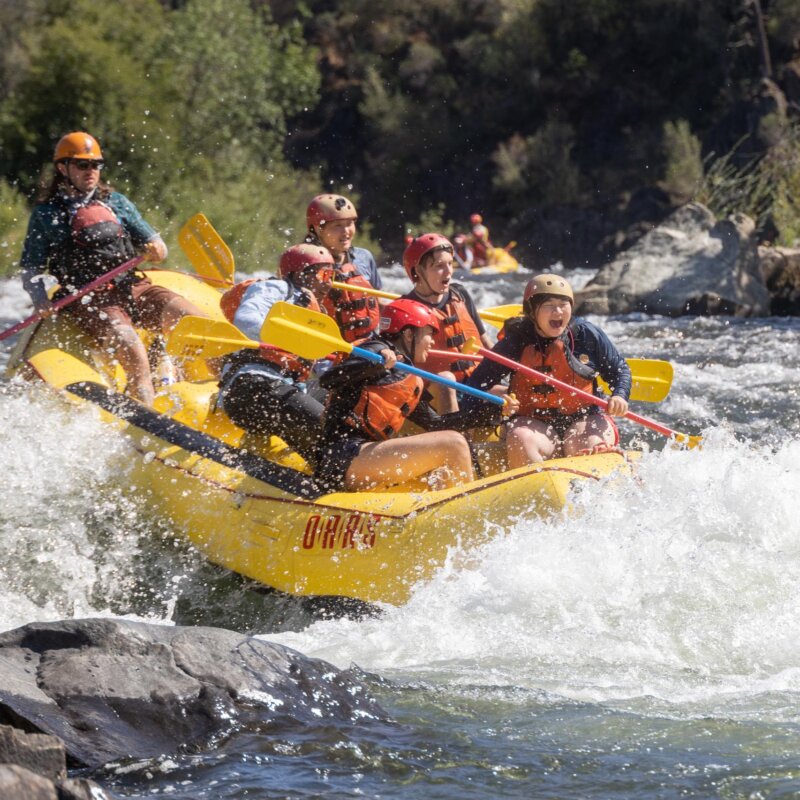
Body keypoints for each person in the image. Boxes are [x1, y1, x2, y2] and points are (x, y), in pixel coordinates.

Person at [19, 131, 204, 406]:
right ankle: (148, 420)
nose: (91, 171)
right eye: (82, 165)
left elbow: (158, 247)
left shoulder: (117, 203)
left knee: (194, 323)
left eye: (96, 165)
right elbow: (31, 268)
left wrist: (156, 250)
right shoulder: (46, 215)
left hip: (133, 286)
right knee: (134, 354)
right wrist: (39, 298)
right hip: (89, 298)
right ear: (62, 168)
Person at [313, 299, 513, 492]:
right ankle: (466, 513)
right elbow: (330, 379)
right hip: (341, 455)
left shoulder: (406, 376)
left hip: (365, 455)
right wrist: (373, 363)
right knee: (453, 444)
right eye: (428, 334)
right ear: (409, 334)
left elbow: (437, 424)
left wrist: (493, 410)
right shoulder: (373, 350)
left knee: (447, 452)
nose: (433, 341)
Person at [464, 273, 631, 467]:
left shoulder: (586, 334)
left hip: (584, 419)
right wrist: (498, 404)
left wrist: (619, 395)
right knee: (520, 437)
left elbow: (620, 370)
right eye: (549, 305)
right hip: (534, 425)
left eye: (563, 304)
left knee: (588, 447)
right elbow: (476, 385)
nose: (558, 311)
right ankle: (537, 488)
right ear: (532, 311)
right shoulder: (516, 340)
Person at [216, 243, 336, 464]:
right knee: (327, 427)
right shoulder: (278, 288)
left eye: (332, 274)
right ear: (300, 274)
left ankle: (323, 464)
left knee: (341, 401)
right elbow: (246, 320)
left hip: (286, 385)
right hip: (251, 387)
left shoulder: (313, 310)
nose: (329, 282)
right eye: (324, 273)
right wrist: (289, 340)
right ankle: (333, 474)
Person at [401, 233, 495, 413]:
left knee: (510, 393)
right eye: (439, 266)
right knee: (446, 379)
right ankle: (452, 436)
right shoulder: (406, 310)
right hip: (432, 391)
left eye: (450, 264)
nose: (449, 272)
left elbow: (485, 342)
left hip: (472, 382)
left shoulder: (460, 294)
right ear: (417, 272)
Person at [305, 193, 382, 289]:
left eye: (350, 223)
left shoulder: (364, 257)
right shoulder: (305, 264)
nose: (346, 231)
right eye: (337, 225)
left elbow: (378, 300)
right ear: (318, 229)